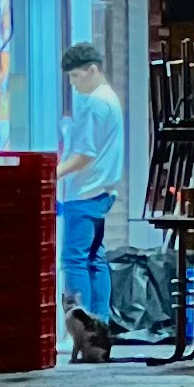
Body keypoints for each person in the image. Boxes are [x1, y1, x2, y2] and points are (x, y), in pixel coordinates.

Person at [56, 39, 126, 361]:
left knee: (74, 259)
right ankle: (101, 330)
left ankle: (82, 332)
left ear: (92, 70)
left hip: (83, 193)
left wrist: (52, 174)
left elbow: (84, 155)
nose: (72, 83)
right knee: (96, 259)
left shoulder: (94, 104)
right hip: (103, 191)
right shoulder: (110, 99)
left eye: (75, 76)